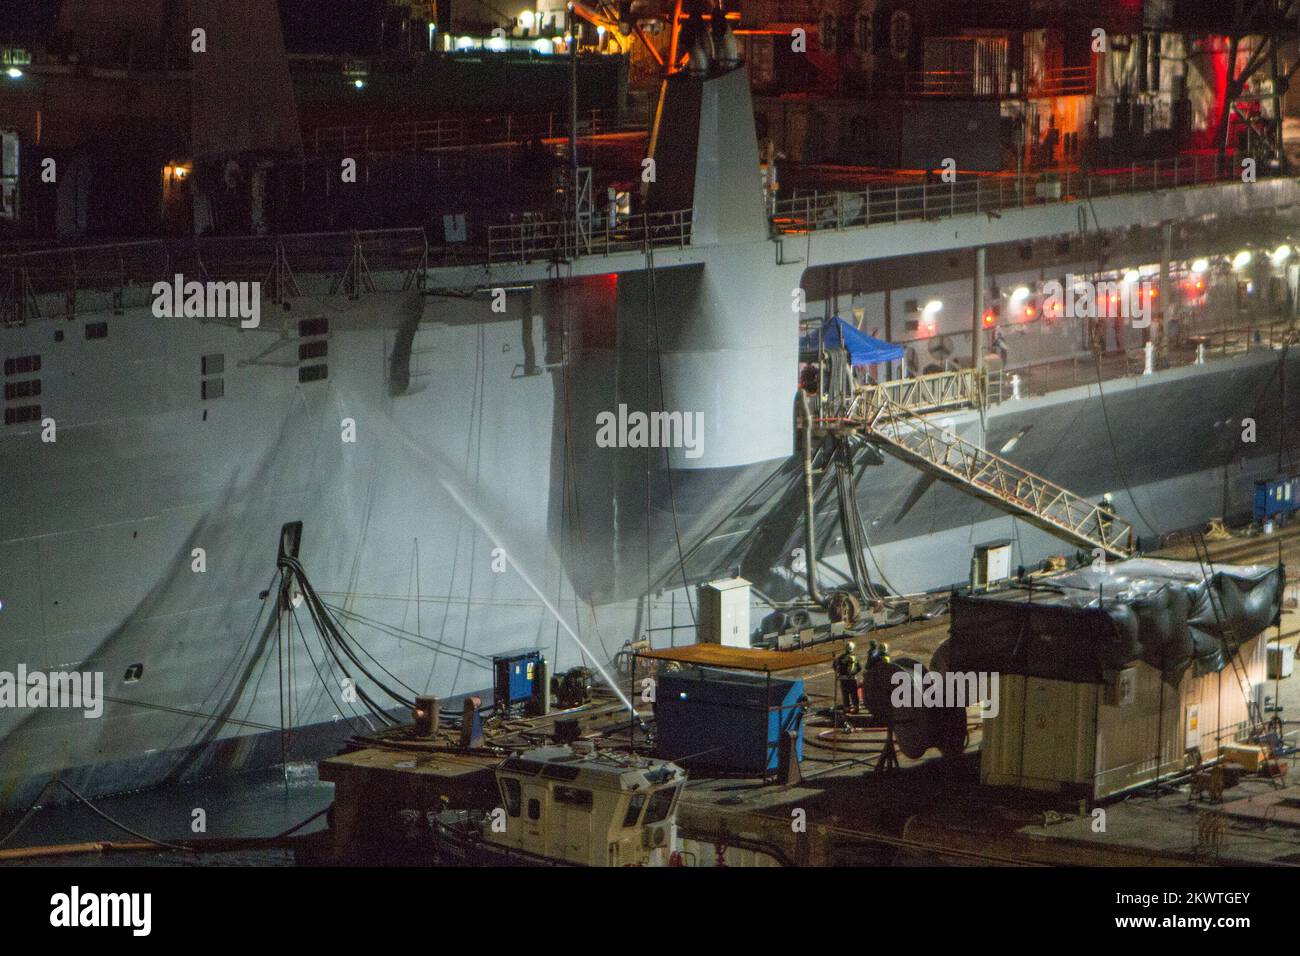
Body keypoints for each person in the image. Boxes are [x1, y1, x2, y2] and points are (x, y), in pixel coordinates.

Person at [834, 642, 861, 714]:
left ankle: (846, 708)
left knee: (845, 695)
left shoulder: (840, 657)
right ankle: (856, 707)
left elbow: (834, 665)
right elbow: (859, 668)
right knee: (854, 694)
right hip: (852, 679)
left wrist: (839, 672)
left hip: (843, 679)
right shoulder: (854, 658)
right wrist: (853, 673)